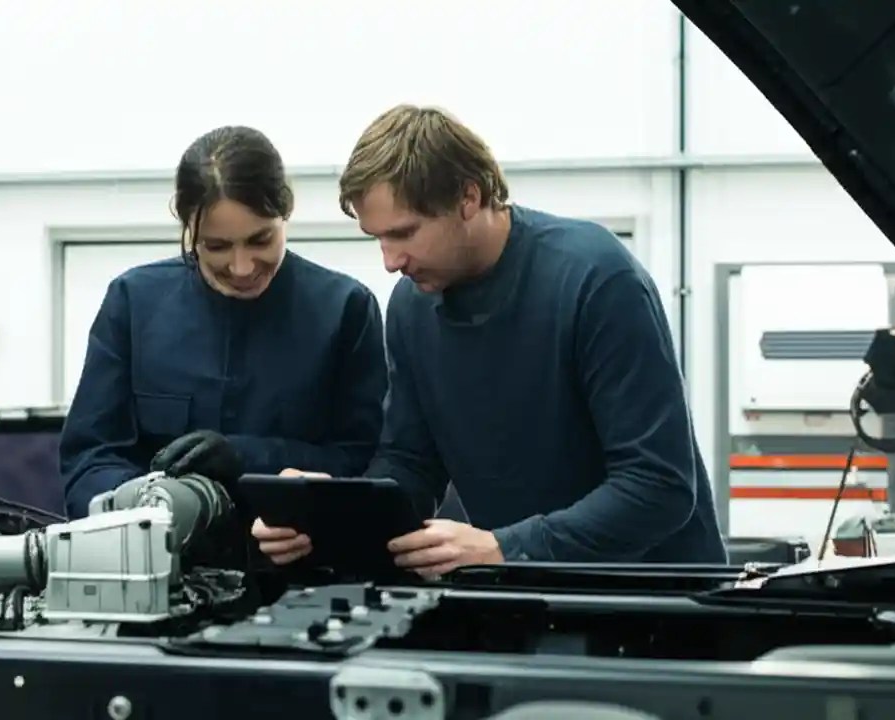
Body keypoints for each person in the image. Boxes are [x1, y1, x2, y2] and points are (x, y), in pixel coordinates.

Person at [253, 105, 727, 572]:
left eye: (404, 233)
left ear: (468, 198)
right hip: (523, 597)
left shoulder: (596, 280)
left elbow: (658, 487)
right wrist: (330, 509)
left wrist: (506, 548)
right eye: (377, 238)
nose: (390, 261)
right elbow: (410, 466)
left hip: (655, 604)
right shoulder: (411, 306)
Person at [59, 125, 388, 519]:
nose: (242, 266)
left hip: (299, 561)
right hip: (157, 556)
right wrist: (148, 507)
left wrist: (245, 458)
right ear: (186, 227)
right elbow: (90, 456)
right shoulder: (132, 303)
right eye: (216, 246)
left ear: (286, 212)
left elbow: (363, 463)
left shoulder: (346, 310)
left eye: (260, 240)